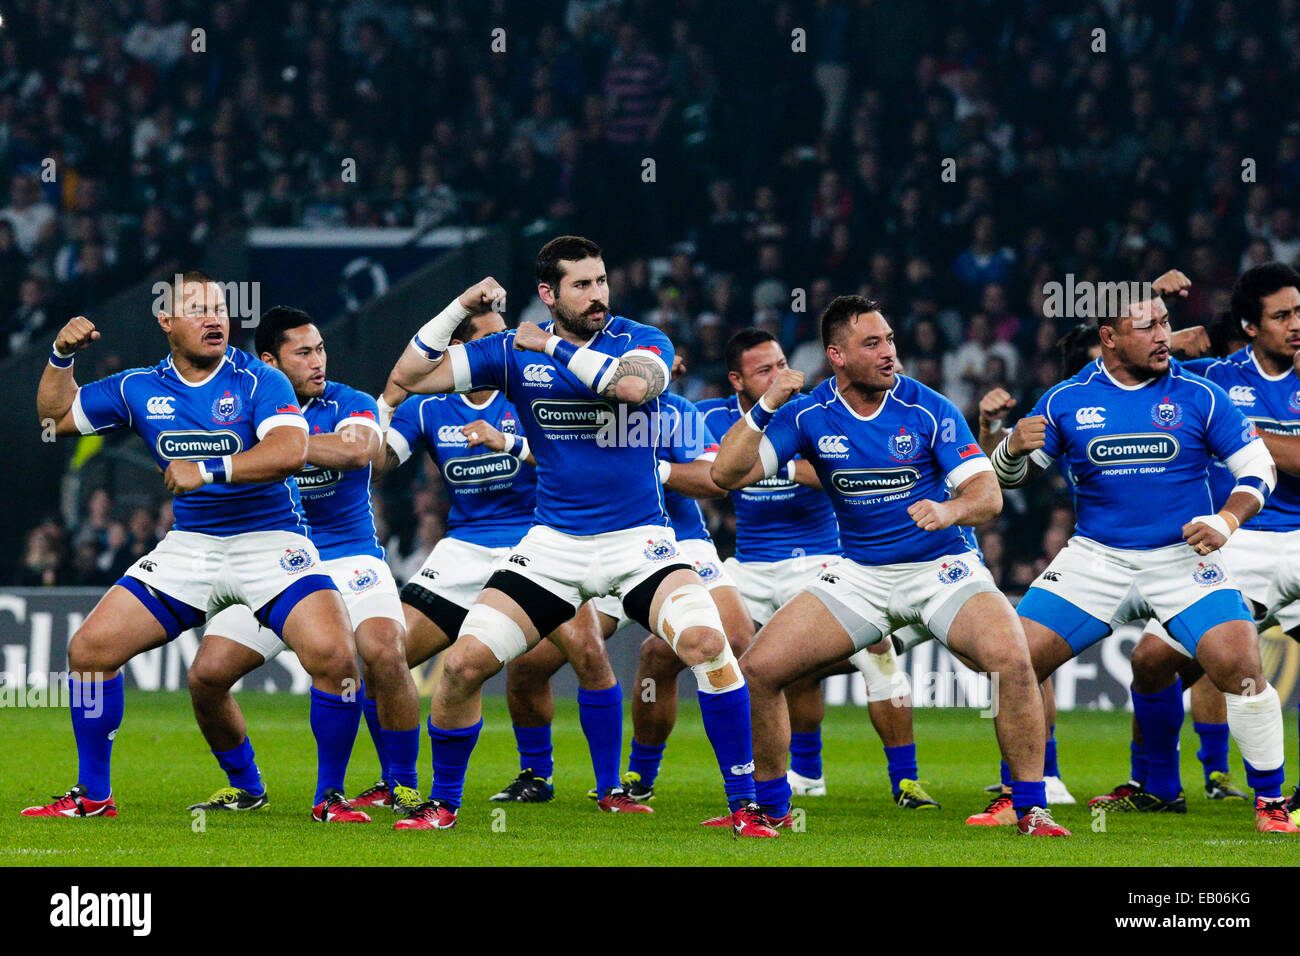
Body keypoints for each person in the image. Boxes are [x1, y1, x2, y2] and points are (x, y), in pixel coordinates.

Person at [380, 235, 776, 836]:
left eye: (601, 281)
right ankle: (444, 803)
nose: (598, 295)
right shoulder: (510, 352)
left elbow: (632, 388)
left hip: (639, 541)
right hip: (553, 545)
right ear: (548, 293)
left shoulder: (643, 340)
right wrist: (460, 307)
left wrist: (552, 344)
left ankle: (746, 804)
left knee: (707, 645)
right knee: (462, 667)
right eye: (582, 285)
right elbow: (409, 375)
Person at [712, 295, 1069, 836]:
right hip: (860, 574)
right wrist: (764, 409)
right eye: (872, 343)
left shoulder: (928, 408)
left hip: (942, 569)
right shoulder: (805, 414)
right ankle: (771, 807)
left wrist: (949, 508)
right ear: (837, 355)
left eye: (891, 341)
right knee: (760, 670)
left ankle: (1031, 806)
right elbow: (726, 474)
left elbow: (988, 496)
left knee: (1011, 659)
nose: (889, 354)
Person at [25, 271, 365, 823]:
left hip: (269, 541)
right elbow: (53, 419)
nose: (215, 319)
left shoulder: (259, 380)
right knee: (89, 653)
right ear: (166, 322)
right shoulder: (138, 387)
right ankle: (93, 794)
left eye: (221, 309)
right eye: (198, 309)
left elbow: (289, 450)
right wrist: (61, 357)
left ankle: (330, 798)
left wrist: (208, 470)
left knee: (335, 657)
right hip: (192, 547)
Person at [991, 281, 1296, 833]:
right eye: (1148, 327)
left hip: (1183, 558)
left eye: (1164, 323)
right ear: (1108, 337)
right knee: (1013, 662)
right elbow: (1010, 481)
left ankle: (1270, 805)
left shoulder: (1201, 395)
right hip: (1096, 559)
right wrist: (1009, 448)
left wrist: (1225, 519)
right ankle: (1024, 800)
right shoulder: (1066, 400)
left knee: (1242, 665)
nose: (1164, 336)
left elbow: (1258, 470)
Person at [376, 299, 639, 813]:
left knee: (587, 650)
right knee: (386, 658)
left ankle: (608, 789)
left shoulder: (532, 387)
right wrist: (376, 415)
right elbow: (380, 462)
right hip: (463, 547)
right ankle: (398, 783)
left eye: (509, 335)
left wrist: (508, 443)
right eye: (493, 337)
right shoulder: (428, 406)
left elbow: (572, 453)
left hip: (535, 538)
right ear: (462, 348)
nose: (511, 344)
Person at [183, 307, 420, 818]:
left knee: (383, 650)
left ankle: (398, 784)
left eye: (321, 349)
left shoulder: (349, 401)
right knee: (206, 676)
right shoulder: (245, 408)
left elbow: (358, 452)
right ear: (269, 360)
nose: (319, 362)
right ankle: (246, 785)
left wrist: (284, 447)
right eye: (304, 352)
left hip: (349, 555)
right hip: (275, 561)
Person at [699, 328, 936, 810]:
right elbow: (716, 473)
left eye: (781, 363)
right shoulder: (715, 417)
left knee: (876, 650)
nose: (779, 374)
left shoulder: (812, 410)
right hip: (747, 566)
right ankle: (641, 777)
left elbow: (830, 471)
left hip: (818, 558)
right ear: (737, 381)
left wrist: (777, 466)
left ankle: (905, 781)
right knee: (664, 652)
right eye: (764, 370)